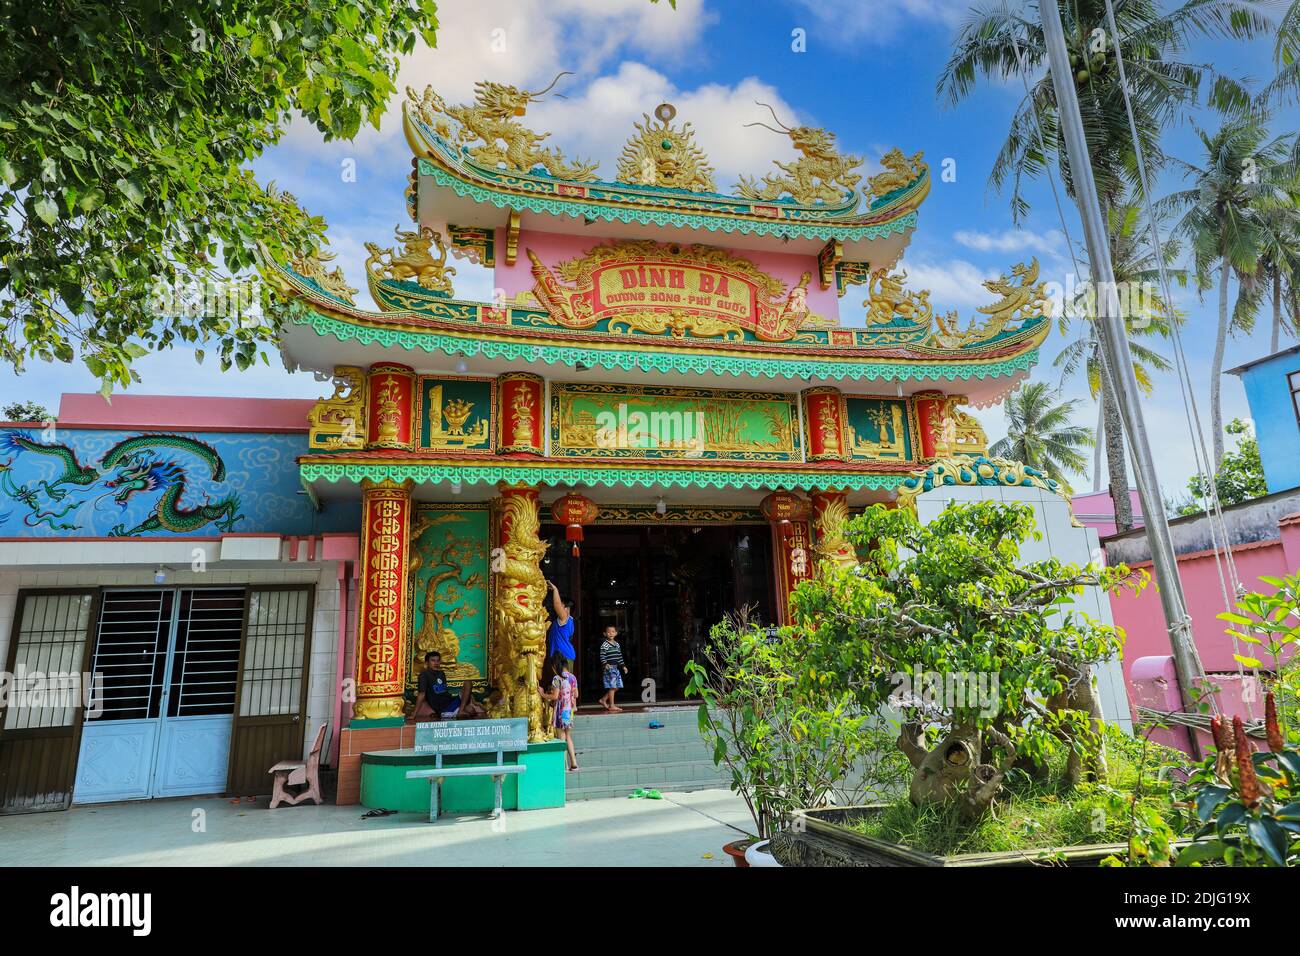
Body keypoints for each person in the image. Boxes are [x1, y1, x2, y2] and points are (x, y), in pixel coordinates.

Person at [412, 651, 485, 721]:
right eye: (433, 660)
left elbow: (444, 692)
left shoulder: (441, 673)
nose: (436, 663)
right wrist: (414, 714)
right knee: (469, 711)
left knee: (468, 683)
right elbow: (422, 694)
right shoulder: (424, 675)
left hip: (451, 701)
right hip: (444, 709)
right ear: (427, 663)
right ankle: (461, 711)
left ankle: (461, 710)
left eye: (438, 661)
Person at [540, 654, 579, 771]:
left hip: (560, 711)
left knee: (561, 737)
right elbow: (576, 695)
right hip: (569, 711)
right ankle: (574, 763)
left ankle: (564, 766)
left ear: (554, 666)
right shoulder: (573, 677)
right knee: (568, 736)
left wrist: (542, 694)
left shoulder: (557, 679)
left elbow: (555, 696)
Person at [598, 624, 628, 712]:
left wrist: (623, 666)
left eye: (613, 632)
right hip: (609, 668)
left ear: (616, 633)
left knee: (617, 686)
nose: (611, 633)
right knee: (612, 686)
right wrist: (605, 663)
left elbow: (619, 656)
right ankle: (611, 705)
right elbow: (602, 655)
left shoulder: (617, 644)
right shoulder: (605, 645)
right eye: (608, 632)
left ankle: (603, 699)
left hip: (616, 668)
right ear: (604, 634)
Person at [545, 581, 577, 665]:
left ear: (567, 608)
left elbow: (556, 604)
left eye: (562, 604)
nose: (559, 606)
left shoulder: (565, 618)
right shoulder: (562, 620)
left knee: (562, 678)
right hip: (561, 656)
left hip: (563, 657)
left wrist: (555, 589)